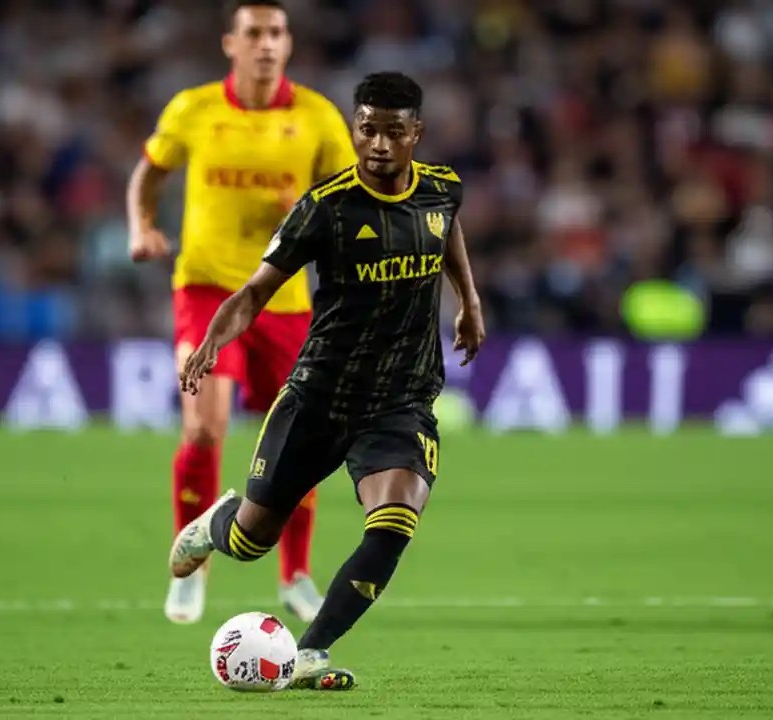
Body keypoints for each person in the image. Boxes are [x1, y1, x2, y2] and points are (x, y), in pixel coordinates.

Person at [170, 71, 485, 690]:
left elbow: (448, 234)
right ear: (353, 129)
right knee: (252, 537)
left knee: (394, 522)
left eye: (394, 132)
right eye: (368, 129)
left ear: (415, 134)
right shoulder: (324, 208)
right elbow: (256, 291)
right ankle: (212, 526)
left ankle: (309, 652)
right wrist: (213, 338)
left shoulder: (443, 189)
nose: (380, 144)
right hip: (320, 396)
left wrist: (468, 300)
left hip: (401, 399)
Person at [126, 0, 356, 625]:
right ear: (231, 43)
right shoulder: (194, 108)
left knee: (304, 441)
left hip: (285, 301)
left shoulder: (318, 118)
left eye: (275, 33)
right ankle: (191, 568)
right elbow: (148, 173)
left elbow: (354, 206)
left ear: (288, 44)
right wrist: (142, 226)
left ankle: (297, 574)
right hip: (206, 290)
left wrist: (307, 210)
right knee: (204, 427)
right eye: (253, 33)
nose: (265, 43)